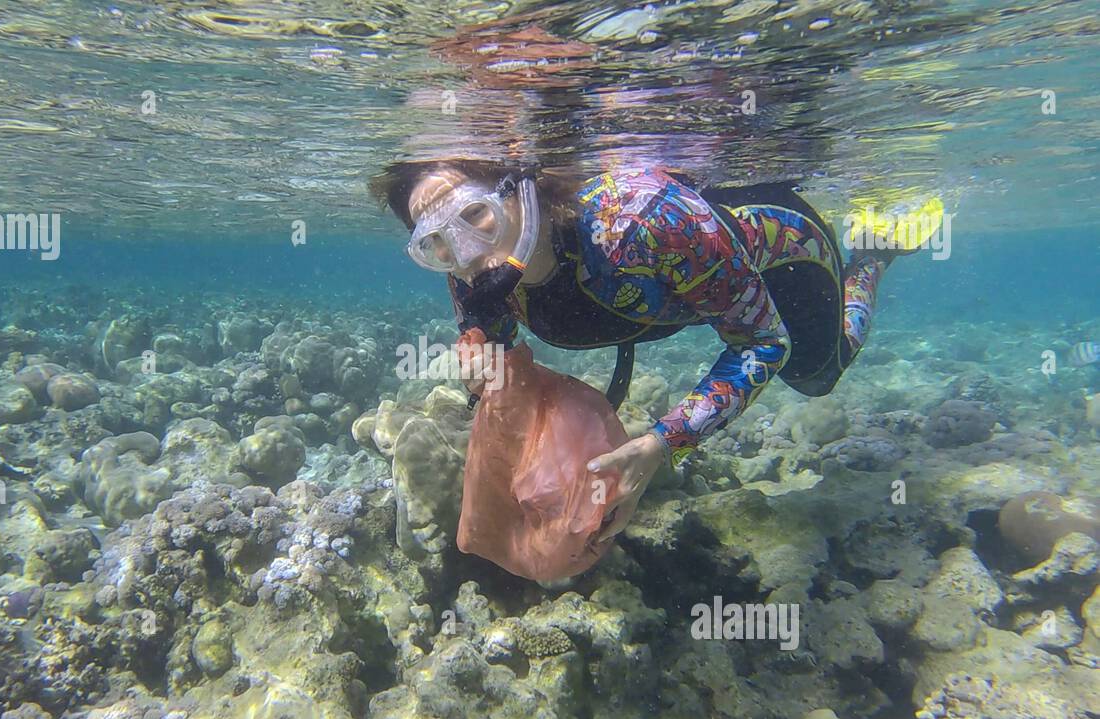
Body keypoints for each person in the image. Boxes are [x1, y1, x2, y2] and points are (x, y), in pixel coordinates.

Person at [371, 159, 925, 543]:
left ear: (521, 189)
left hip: (782, 251)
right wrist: (481, 363)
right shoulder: (472, 271)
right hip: (678, 295)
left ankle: (872, 257)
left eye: (474, 215)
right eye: (435, 244)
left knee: (815, 375)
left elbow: (763, 339)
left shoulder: (641, 220)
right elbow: (492, 340)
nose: (466, 253)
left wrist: (666, 442)